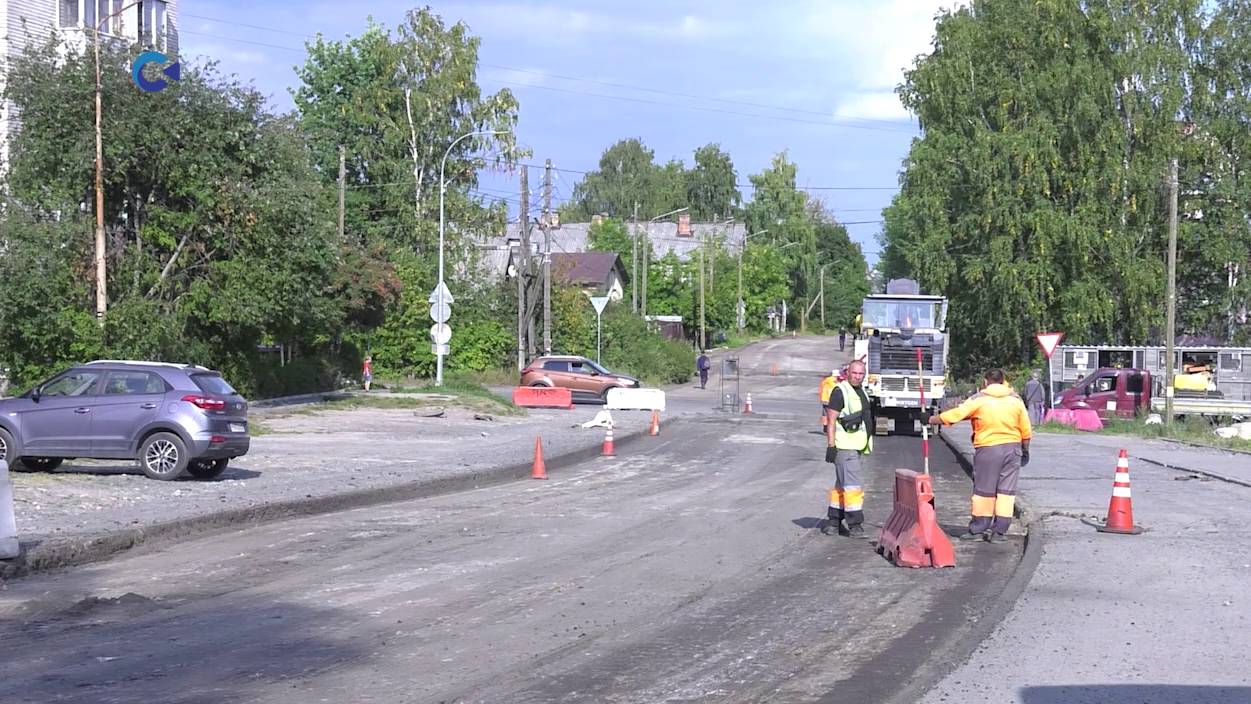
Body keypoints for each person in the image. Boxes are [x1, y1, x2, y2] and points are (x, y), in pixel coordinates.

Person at [928, 368, 1032, 543]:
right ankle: (1000, 531)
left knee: (984, 490)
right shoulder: (1015, 399)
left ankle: (979, 528)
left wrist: (932, 419)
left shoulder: (980, 399)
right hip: (1013, 449)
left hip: (989, 448)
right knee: (1006, 491)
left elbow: (956, 414)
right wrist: (1025, 450)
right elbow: (1026, 428)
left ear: (985, 381)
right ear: (1003, 381)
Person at [823, 359, 873, 538]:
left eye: (861, 373)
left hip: (855, 446)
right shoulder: (840, 391)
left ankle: (833, 522)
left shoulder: (860, 391)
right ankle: (855, 524)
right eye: (855, 373)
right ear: (848, 373)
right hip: (845, 447)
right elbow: (831, 420)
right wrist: (831, 445)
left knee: (841, 486)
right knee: (853, 486)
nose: (858, 376)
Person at [818, 368, 839, 434]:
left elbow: (820, 389)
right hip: (830, 400)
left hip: (824, 399)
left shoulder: (824, 381)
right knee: (831, 415)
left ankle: (825, 427)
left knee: (824, 414)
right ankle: (829, 429)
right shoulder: (834, 382)